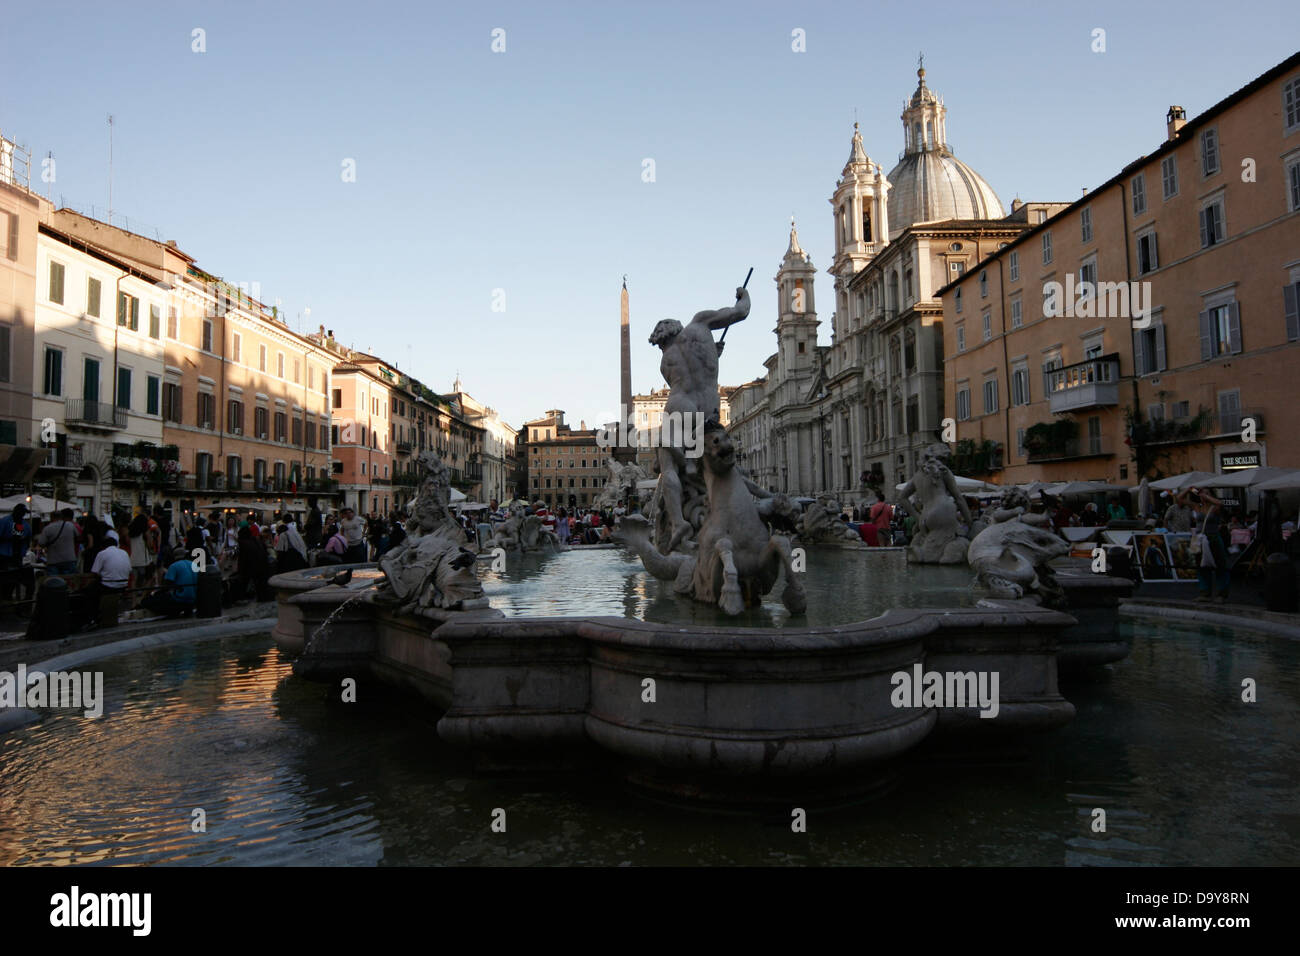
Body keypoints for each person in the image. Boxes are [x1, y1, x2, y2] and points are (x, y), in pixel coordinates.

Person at [1180, 487, 1230, 603]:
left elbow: (1219, 503)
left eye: (1207, 493)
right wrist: (1188, 489)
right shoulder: (1197, 507)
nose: (1203, 495)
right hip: (1198, 539)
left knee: (1220, 565)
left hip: (1213, 537)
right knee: (1201, 566)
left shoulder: (1214, 508)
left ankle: (1221, 594)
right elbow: (1179, 498)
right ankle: (1205, 593)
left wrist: (1206, 496)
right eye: (1202, 493)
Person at [142, 547, 198, 617]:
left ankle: (171, 612)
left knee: (147, 601)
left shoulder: (174, 566)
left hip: (180, 599)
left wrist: (156, 593)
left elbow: (167, 586)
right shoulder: (194, 564)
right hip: (194, 599)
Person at [90, 532, 133, 612]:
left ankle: (95, 612)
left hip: (109, 585)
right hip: (124, 583)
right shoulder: (124, 552)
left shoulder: (102, 553)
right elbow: (130, 570)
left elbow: (95, 572)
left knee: (91, 590)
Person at [38, 508, 80, 575]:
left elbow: (41, 543)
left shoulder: (47, 528)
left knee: (54, 582)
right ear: (61, 517)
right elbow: (78, 536)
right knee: (69, 581)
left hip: (53, 560)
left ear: (51, 517)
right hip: (69, 558)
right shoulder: (70, 525)